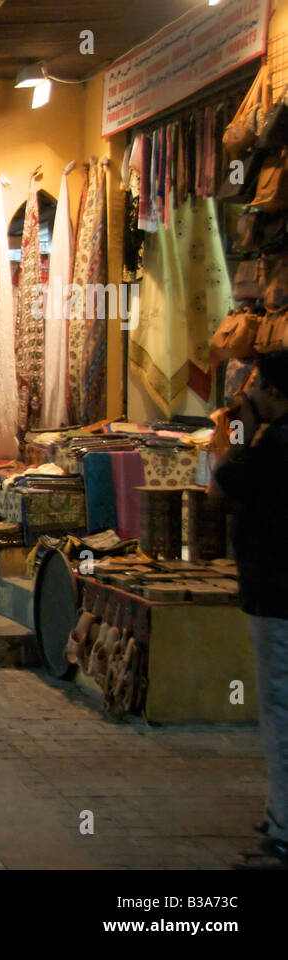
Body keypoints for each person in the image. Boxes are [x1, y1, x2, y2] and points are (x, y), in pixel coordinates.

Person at [212, 350, 288, 868]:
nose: (247, 390)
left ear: (278, 396)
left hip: (276, 594)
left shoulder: (271, 446)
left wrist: (238, 431)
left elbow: (219, 485)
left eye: (257, 383)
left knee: (279, 709)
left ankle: (283, 831)